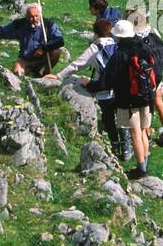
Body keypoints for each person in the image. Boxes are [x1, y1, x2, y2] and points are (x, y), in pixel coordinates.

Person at [85, 18, 155, 179]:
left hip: (127, 100)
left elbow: (106, 82)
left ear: (118, 37)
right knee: (143, 131)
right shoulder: (145, 48)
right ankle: (145, 164)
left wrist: (90, 84)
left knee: (135, 133)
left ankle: (141, 170)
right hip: (146, 97)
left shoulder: (119, 54)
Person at [46, 18, 125, 157]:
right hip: (119, 88)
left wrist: (58, 76)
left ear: (95, 33)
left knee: (108, 118)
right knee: (120, 115)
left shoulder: (95, 48)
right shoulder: (117, 45)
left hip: (102, 90)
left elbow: (77, 65)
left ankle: (115, 144)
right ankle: (125, 146)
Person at [0, 3, 65, 76]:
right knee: (16, 72)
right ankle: (33, 71)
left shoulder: (48, 24)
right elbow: (1, 31)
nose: (34, 19)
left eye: (36, 16)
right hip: (26, 59)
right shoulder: (20, 24)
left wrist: (44, 48)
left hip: (43, 58)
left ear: (40, 14)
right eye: (31, 17)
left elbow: (60, 41)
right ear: (27, 17)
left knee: (55, 52)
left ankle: (46, 74)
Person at [127, 9, 163, 145]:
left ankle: (146, 135)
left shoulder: (133, 36)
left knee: (145, 108)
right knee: (158, 101)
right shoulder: (152, 31)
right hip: (157, 74)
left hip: (144, 77)